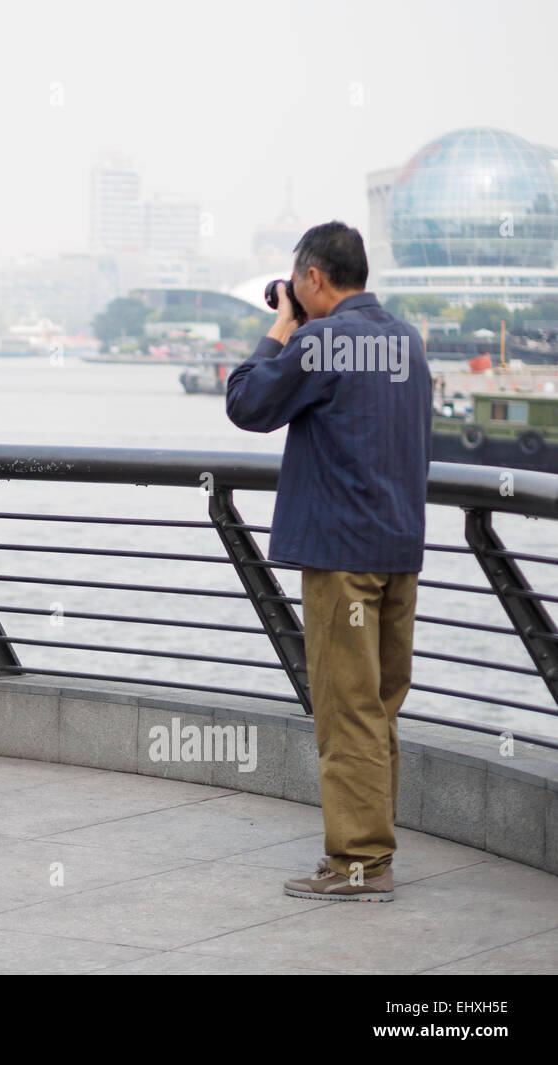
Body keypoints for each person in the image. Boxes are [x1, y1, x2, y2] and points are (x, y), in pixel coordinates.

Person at [225, 221, 431, 902]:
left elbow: (248, 402)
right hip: (399, 550)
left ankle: (360, 864)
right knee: (378, 706)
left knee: (347, 712)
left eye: (299, 284)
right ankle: (373, 851)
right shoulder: (406, 343)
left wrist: (280, 324)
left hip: (342, 555)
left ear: (314, 278)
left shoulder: (322, 338)